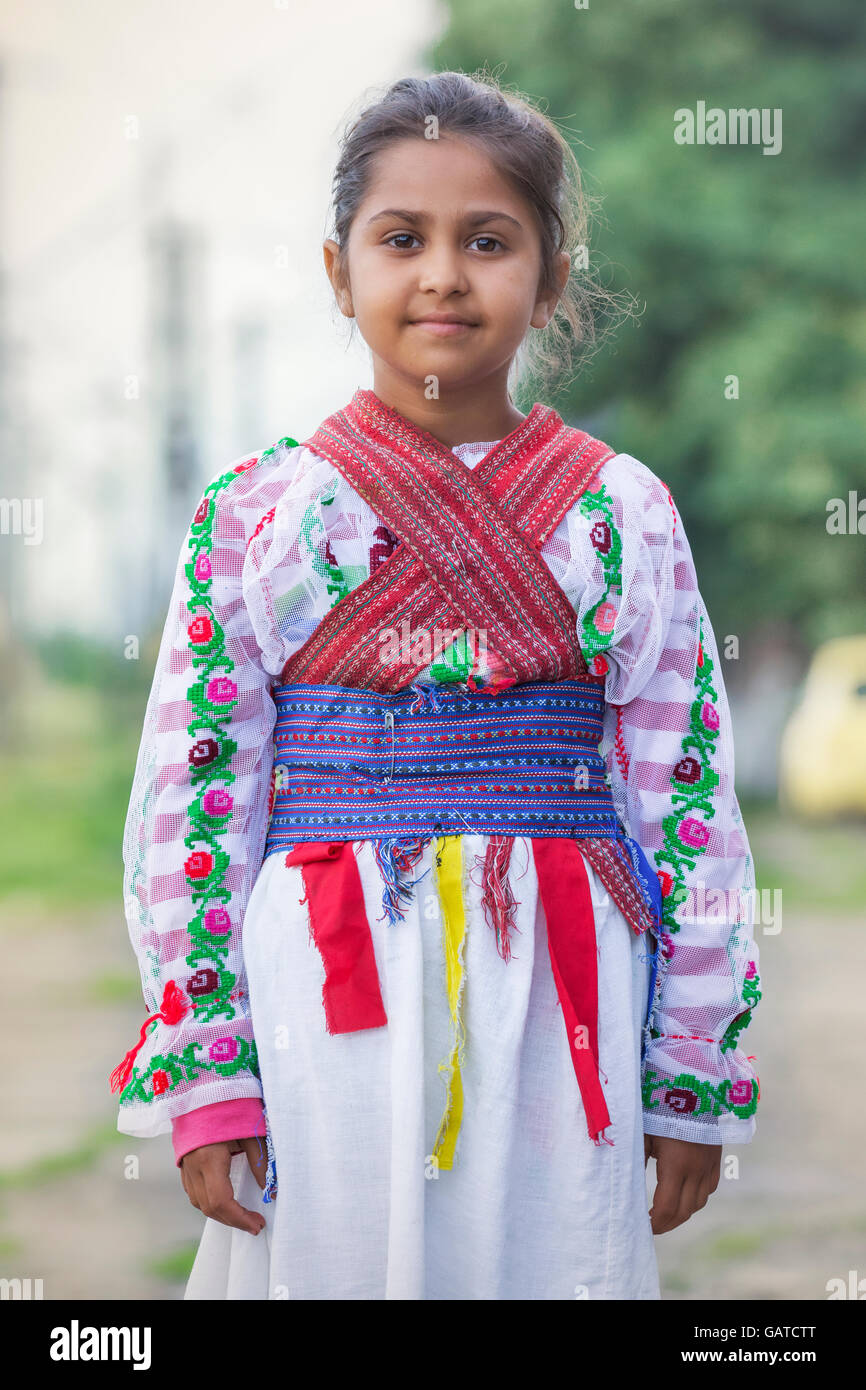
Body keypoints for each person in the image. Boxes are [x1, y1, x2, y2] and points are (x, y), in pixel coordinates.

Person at [111, 70, 761, 1301]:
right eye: (401, 238)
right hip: (322, 993)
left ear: (551, 276)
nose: (443, 276)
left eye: (488, 240)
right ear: (337, 269)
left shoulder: (618, 513)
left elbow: (684, 804)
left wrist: (689, 1071)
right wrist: (209, 1069)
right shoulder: (260, 516)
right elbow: (192, 800)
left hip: (562, 997)